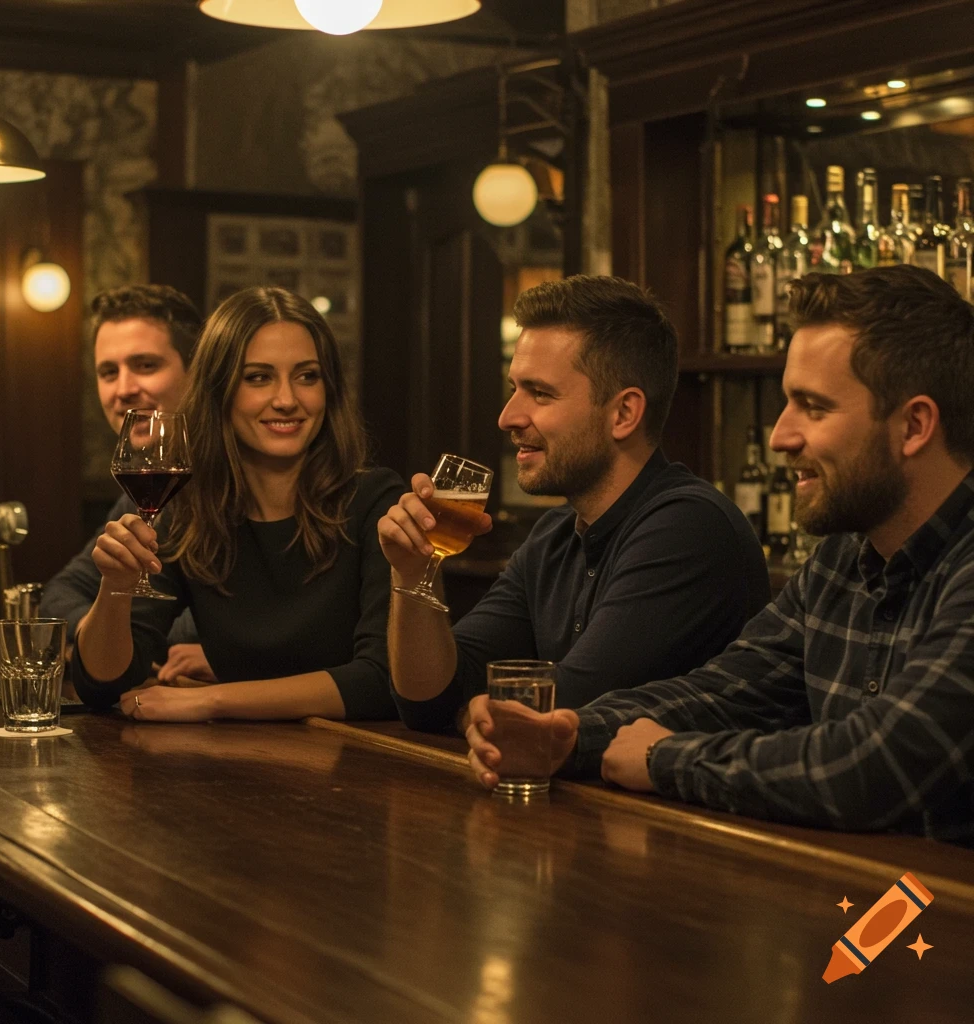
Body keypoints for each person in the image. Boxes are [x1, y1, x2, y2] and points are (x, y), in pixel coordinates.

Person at [466, 265, 974, 845]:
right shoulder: (843, 558)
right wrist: (568, 733)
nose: (780, 435)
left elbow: (872, 768)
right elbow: (727, 689)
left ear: (914, 425)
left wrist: (665, 759)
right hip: (869, 904)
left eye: (813, 406)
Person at [379, 275, 770, 732]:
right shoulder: (556, 534)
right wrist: (412, 572)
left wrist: (469, 710)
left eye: (540, 393)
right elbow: (428, 700)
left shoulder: (689, 528)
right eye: (514, 388)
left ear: (623, 413)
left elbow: (565, 710)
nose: (508, 417)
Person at [70, 286, 403, 722]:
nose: (287, 399)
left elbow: (383, 681)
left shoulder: (376, 501)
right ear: (218, 391)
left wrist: (212, 700)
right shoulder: (186, 509)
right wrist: (113, 590)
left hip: (359, 763)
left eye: (307, 376)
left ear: (330, 389)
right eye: (258, 377)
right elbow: (103, 684)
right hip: (234, 770)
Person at [42, 284, 209, 680]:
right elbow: (59, 594)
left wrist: (226, 653)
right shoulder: (145, 494)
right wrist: (100, 633)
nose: (123, 389)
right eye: (108, 372)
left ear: (196, 370)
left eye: (146, 365)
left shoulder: (230, 474)